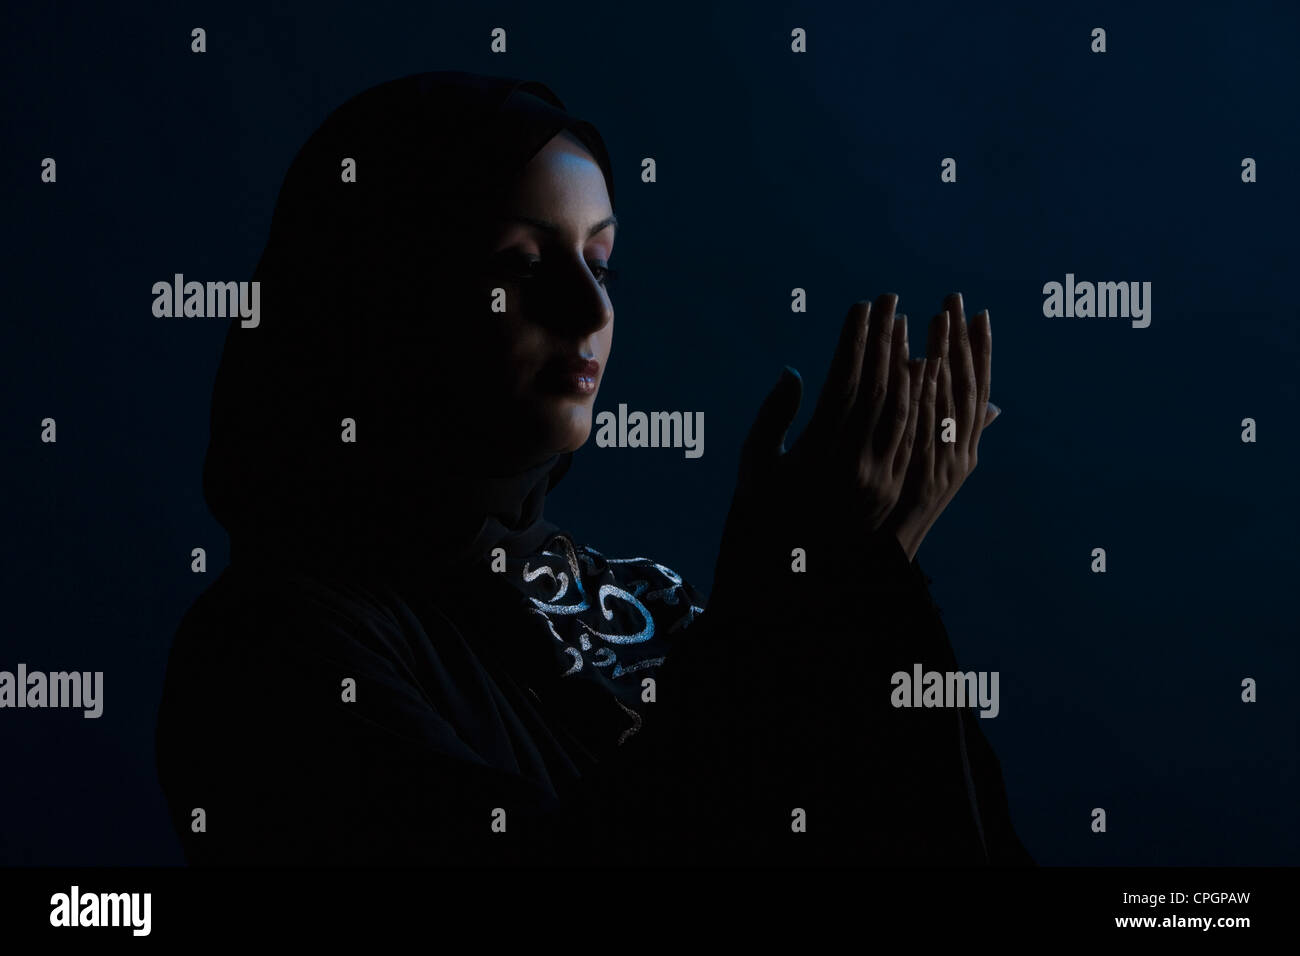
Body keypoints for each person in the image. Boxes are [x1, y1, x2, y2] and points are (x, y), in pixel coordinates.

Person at [155, 70, 1031, 867]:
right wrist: (801, 596)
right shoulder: (271, 647)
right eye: (524, 263)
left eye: (602, 262)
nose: (589, 306)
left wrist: (863, 580)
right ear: (380, 291)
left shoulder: (643, 604)